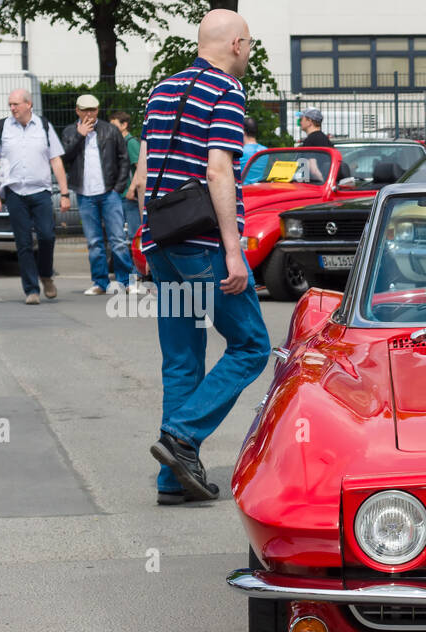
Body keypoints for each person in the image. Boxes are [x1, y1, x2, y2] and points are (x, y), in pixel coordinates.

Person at [135, 8, 269, 505]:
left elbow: (148, 171)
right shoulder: (227, 91)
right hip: (203, 245)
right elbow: (218, 171)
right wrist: (234, 252)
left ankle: (174, 480)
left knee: (181, 360)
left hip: (162, 241)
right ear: (235, 44)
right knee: (252, 346)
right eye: (249, 43)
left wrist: (147, 241)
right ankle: (183, 437)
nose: (250, 51)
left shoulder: (161, 89)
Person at [0, 88, 70, 305]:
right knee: (23, 243)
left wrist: (65, 193)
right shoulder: (3, 127)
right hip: (14, 193)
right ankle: (31, 290)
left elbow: (56, 160)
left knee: (47, 236)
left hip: (40, 191)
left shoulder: (44, 126)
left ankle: (46, 275)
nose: (12, 108)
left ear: (28, 104)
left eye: (16, 104)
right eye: (10, 104)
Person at [61, 94, 135, 294]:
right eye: (84, 110)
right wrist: (79, 135)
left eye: (92, 110)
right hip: (85, 194)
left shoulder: (110, 130)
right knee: (94, 242)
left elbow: (123, 159)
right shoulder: (69, 131)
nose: (89, 114)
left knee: (118, 240)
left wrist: (118, 188)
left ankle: (126, 282)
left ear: (98, 110)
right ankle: (100, 283)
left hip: (109, 193)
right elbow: (64, 157)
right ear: (77, 110)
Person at [110, 110, 143, 274]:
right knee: (123, 234)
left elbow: (140, 168)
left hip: (129, 196)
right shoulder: (119, 142)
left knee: (134, 233)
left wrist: (132, 188)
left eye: (115, 125)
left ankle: (138, 271)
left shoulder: (130, 143)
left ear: (124, 125)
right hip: (120, 194)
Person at [240, 116, 263, 182]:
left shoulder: (240, 152)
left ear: (243, 132)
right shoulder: (265, 151)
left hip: (244, 190)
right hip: (261, 189)